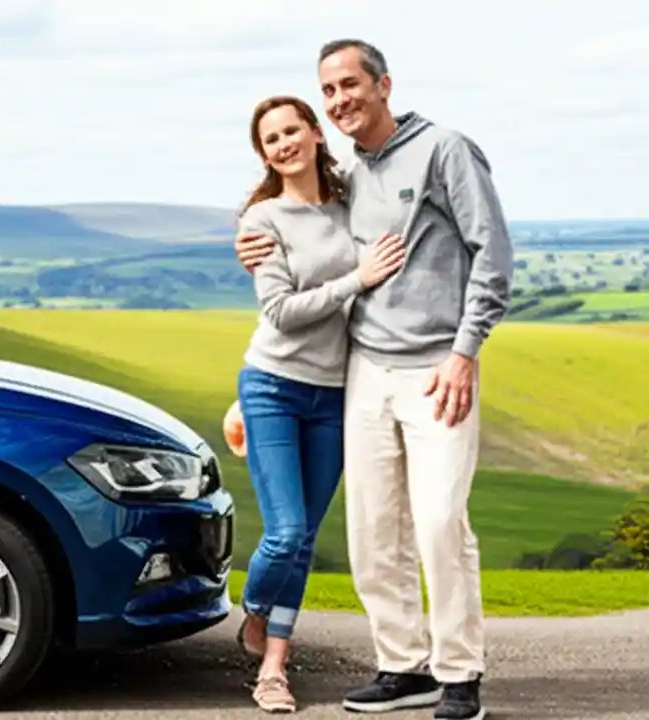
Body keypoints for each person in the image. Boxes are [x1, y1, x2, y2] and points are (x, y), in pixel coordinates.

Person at [233, 39, 513, 720]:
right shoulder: (349, 177)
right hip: (361, 373)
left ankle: (460, 675)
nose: (339, 100)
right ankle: (402, 665)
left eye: (349, 85)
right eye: (327, 91)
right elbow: (298, 265)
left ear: (384, 85)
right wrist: (241, 394)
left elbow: (492, 253)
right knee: (372, 531)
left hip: (436, 369)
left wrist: (465, 351)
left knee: (442, 522)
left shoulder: (446, 149)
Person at [231, 94, 405, 714]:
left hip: (333, 395)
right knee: (285, 532)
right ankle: (253, 611)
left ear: (313, 133)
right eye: (269, 139)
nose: (282, 144)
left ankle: (273, 669)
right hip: (273, 385)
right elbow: (280, 313)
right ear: (265, 154)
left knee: (304, 541)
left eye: (290, 130)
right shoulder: (262, 222)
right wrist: (357, 280)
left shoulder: (351, 202)